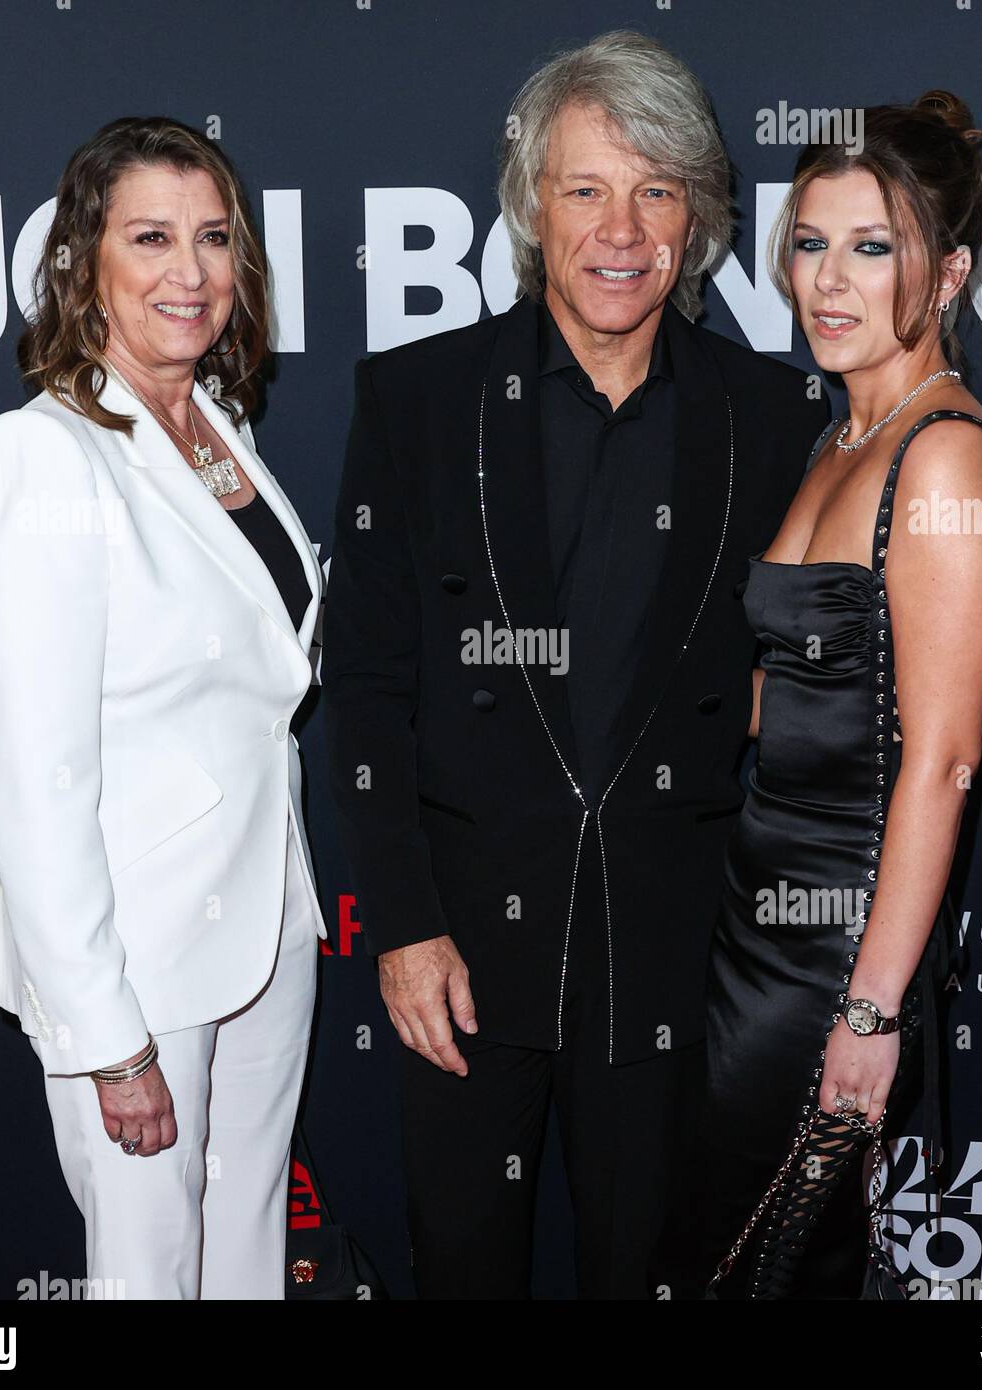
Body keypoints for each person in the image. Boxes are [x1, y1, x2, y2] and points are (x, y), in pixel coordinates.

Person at [321, 30, 829, 1299]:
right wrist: (405, 925)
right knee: (467, 1272)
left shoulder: (766, 419)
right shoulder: (418, 403)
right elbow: (371, 680)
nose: (621, 227)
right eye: (586, 188)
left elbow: (805, 678)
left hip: (669, 947)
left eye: (658, 190)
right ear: (530, 208)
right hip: (465, 961)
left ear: (698, 219)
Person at [0, 117, 327, 1299]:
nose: (191, 272)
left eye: (213, 238)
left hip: (264, 916)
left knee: (246, 1248)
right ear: (82, 263)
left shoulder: (220, 429)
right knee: (147, 1276)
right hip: (137, 956)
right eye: (152, 237)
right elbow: (39, 775)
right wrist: (107, 1035)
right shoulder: (41, 457)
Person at [651, 91, 982, 1299]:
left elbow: (946, 758)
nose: (828, 282)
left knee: (756, 1265)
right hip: (753, 917)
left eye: (874, 249)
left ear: (950, 273)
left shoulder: (946, 455)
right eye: (810, 244)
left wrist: (868, 1010)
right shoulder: (839, 433)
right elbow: (781, 699)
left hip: (832, 950)